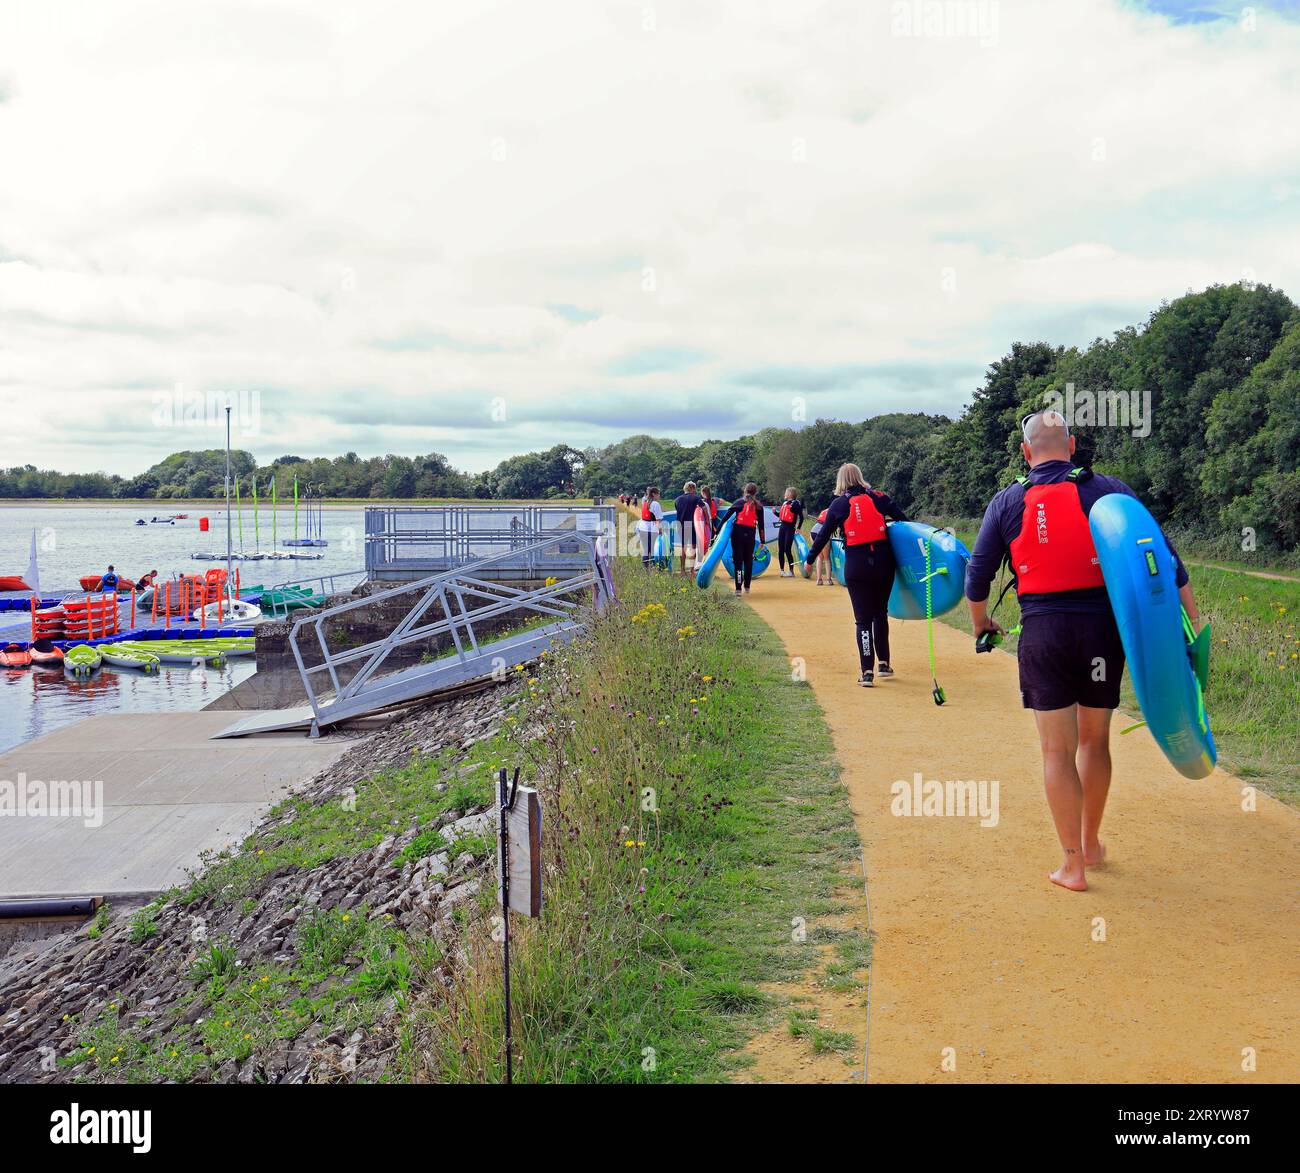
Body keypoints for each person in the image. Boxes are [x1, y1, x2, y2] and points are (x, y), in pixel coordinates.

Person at [965, 410, 1201, 893]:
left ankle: (1072, 866)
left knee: (1057, 750)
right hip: (1101, 636)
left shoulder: (1007, 501)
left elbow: (978, 576)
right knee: (1095, 741)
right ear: (1071, 445)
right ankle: (1091, 843)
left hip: (1044, 634)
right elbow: (1167, 562)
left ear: (1026, 453)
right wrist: (1191, 627)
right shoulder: (1109, 491)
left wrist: (981, 624)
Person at [805, 464, 908, 686]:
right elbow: (904, 521)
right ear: (860, 477)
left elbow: (822, 536)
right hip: (883, 564)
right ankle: (884, 664)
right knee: (880, 613)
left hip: (857, 567)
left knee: (862, 620)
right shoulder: (879, 497)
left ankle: (866, 672)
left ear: (840, 481)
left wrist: (809, 560)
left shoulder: (839, 504)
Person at [717, 483, 766, 595]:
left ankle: (738, 588)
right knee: (748, 561)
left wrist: (717, 532)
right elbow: (761, 525)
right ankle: (747, 586)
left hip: (737, 535)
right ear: (755, 493)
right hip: (750, 536)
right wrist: (762, 541)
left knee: (738, 562)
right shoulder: (759, 506)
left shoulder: (738, 503)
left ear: (745, 491)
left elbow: (725, 518)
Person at [673, 481, 704, 576]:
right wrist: (707, 521)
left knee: (683, 548)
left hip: (680, 525)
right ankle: (691, 571)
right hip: (692, 525)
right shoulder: (696, 498)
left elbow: (677, 510)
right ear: (691, 488)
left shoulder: (677, 499)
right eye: (694, 488)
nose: (695, 491)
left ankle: (682, 571)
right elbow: (704, 509)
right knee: (693, 547)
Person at [775, 487, 804, 577]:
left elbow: (801, 517)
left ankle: (791, 571)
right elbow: (781, 516)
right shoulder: (785, 503)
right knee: (781, 550)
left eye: (786, 492)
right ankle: (782, 570)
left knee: (787, 549)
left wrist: (798, 528)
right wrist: (774, 512)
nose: (785, 494)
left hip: (790, 528)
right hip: (782, 528)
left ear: (790, 494)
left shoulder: (795, 504)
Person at [636, 486, 664, 569]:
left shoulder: (645, 502)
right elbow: (658, 519)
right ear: (653, 494)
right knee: (652, 550)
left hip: (642, 528)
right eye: (658, 494)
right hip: (652, 529)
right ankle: (653, 568)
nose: (659, 496)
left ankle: (646, 569)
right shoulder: (655, 504)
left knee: (645, 550)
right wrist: (660, 531)